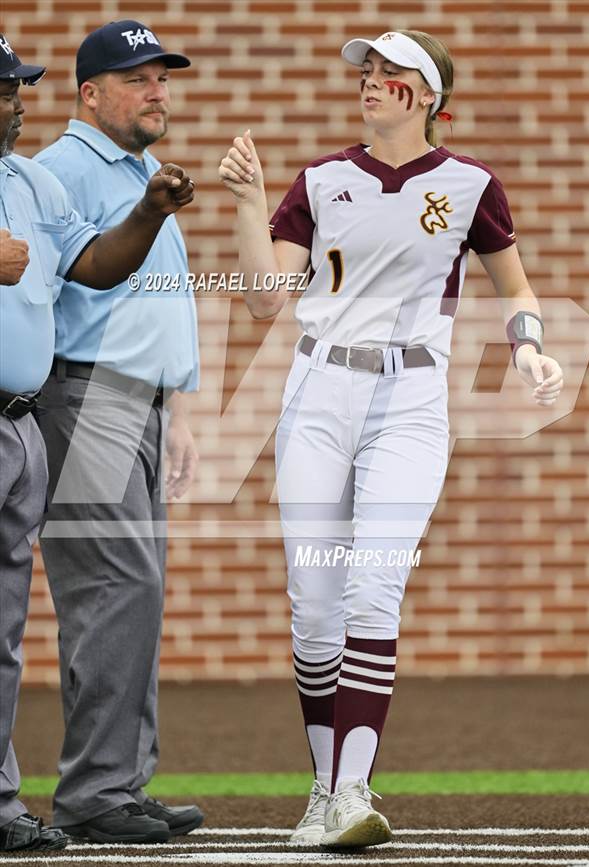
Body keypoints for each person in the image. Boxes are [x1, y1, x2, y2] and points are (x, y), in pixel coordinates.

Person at [220, 29, 564, 848]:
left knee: (374, 589)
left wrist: (528, 347)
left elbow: (516, 289)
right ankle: (322, 789)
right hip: (317, 392)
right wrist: (248, 202)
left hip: (411, 398)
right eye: (366, 71)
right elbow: (266, 300)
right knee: (314, 607)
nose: (370, 82)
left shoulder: (473, 184)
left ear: (428, 95)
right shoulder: (321, 180)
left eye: (389, 72)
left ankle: (352, 790)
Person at [0, 33, 195, 853]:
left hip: (124, 399)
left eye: (161, 80)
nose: (156, 92)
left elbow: (125, 287)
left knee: (132, 594)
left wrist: (173, 406)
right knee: (115, 589)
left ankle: (115, 783)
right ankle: (98, 787)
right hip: (88, 394)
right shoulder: (68, 167)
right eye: (136, 79)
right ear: (91, 93)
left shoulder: (67, 177)